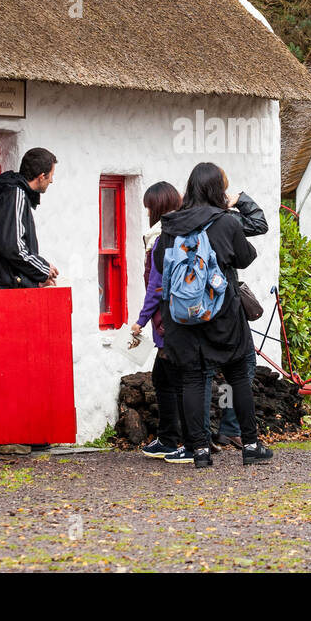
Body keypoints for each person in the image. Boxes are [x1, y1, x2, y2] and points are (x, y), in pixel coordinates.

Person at [154, 162, 273, 468]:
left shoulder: (170, 224)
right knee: (237, 378)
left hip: (182, 316)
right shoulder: (227, 222)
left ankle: (199, 451)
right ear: (218, 190)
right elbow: (245, 259)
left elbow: (158, 262)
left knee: (193, 379)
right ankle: (250, 445)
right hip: (224, 314)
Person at [204, 182, 267, 451]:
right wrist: (241, 199)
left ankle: (202, 438)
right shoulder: (227, 219)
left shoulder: (184, 219)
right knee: (244, 366)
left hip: (195, 304)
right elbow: (259, 224)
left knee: (202, 372)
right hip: (226, 301)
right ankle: (232, 430)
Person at [129, 182, 185, 459]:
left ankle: (179, 440)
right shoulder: (180, 234)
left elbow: (155, 286)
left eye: (150, 207)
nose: (148, 212)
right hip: (178, 319)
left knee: (170, 381)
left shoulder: (160, 240)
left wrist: (141, 321)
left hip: (167, 321)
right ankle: (173, 438)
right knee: (168, 379)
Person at [0, 147, 59, 291]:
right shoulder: (15, 194)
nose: (52, 181)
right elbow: (13, 247)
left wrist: (34, 282)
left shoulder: (10, 193)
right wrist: (43, 268)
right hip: (2, 292)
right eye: (51, 176)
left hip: (0, 287)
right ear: (42, 176)